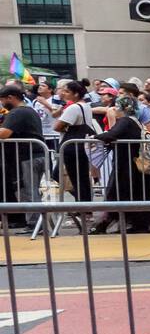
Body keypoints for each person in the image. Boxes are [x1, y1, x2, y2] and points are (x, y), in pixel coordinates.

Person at [90, 94, 150, 234]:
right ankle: (138, 223)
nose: (114, 109)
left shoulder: (125, 121)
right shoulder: (135, 121)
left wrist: (94, 138)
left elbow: (111, 134)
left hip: (127, 167)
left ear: (122, 108)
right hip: (133, 165)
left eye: (116, 106)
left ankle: (106, 223)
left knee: (119, 193)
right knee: (134, 193)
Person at [0, 84, 45, 230]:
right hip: (35, 155)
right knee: (30, 190)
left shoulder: (17, 113)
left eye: (2, 100)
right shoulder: (28, 110)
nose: (2, 104)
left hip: (30, 156)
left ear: (10, 98)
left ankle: (36, 225)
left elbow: (4, 133)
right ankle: (35, 223)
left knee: (30, 191)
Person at [54, 80, 97, 217]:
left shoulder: (73, 108)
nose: (63, 93)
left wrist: (64, 124)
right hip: (81, 146)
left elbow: (57, 126)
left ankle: (82, 205)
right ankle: (84, 204)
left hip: (71, 147)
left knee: (65, 176)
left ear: (76, 94)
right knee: (81, 177)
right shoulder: (86, 106)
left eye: (67, 91)